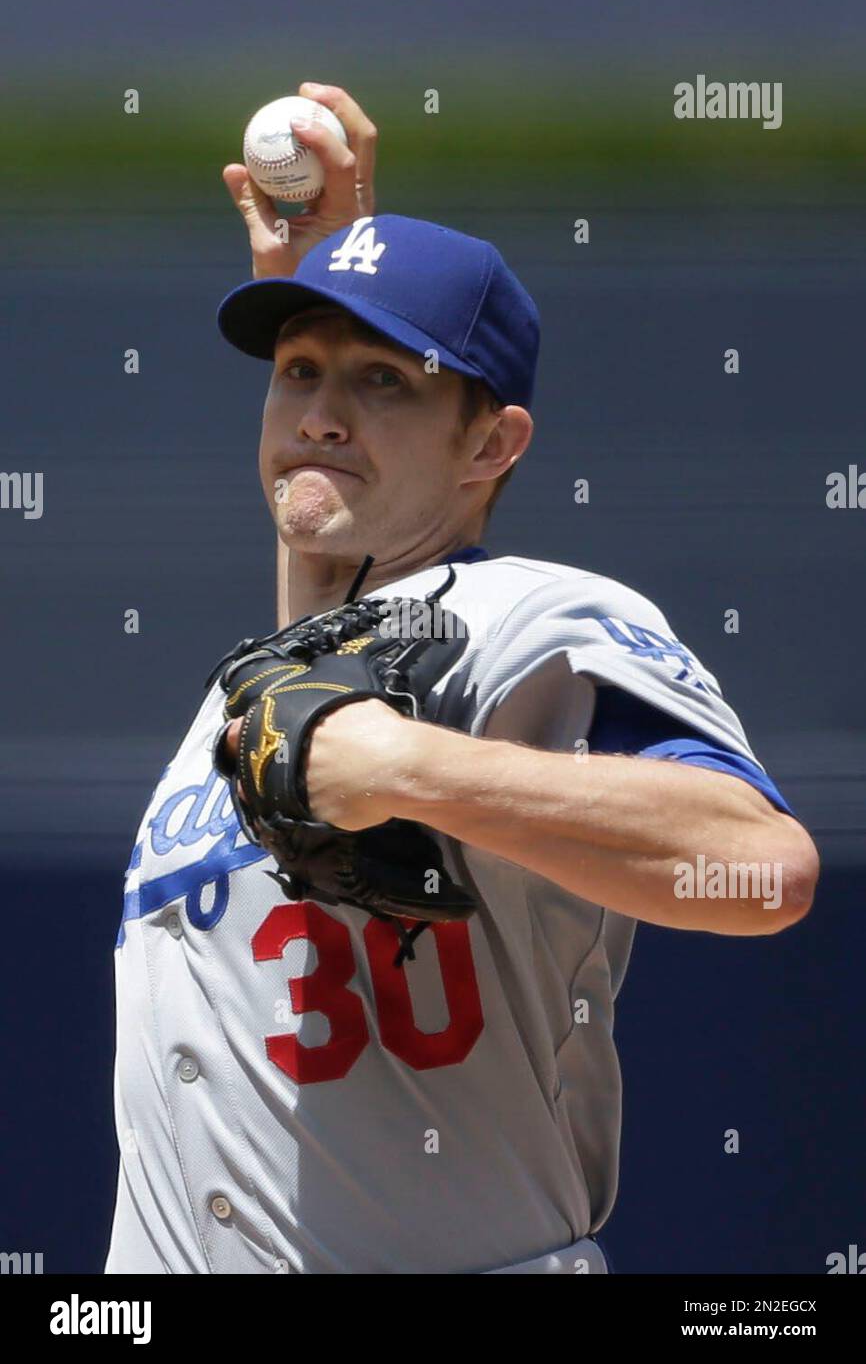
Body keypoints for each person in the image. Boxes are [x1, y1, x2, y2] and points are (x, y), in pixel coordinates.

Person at [104, 86, 819, 1275]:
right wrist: (329, 259)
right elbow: (337, 627)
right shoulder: (262, 687)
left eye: (383, 380)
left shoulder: (533, 615)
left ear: (490, 445)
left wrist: (407, 769)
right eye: (297, 370)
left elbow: (761, 869)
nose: (320, 413)